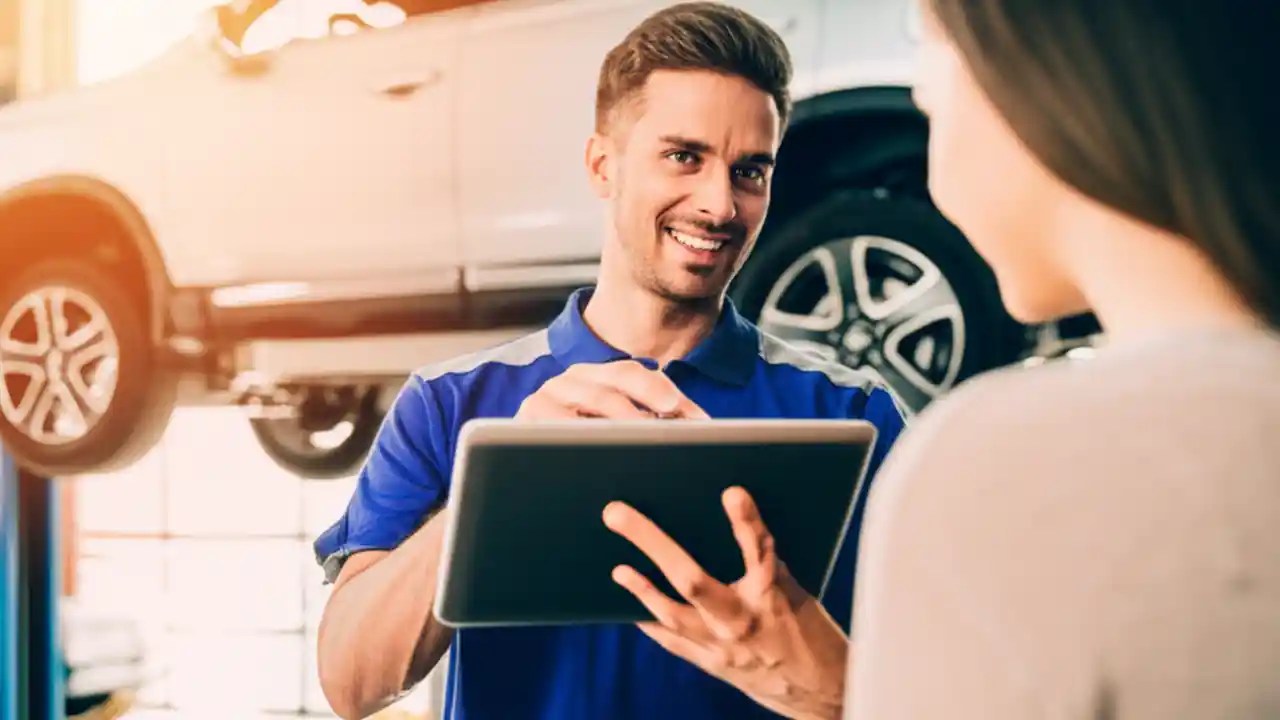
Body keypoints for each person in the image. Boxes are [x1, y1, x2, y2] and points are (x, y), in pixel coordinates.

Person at [605, 0, 1280, 718]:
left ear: (1041, 88)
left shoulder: (989, 460)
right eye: (684, 157)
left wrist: (838, 698)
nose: (923, 97)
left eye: (932, 53)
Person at [312, 4, 906, 719]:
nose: (720, 204)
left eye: (749, 171)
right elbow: (352, 684)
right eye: (684, 157)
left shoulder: (851, 415)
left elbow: (941, 677)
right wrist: (498, 488)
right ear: (603, 165)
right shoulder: (448, 403)